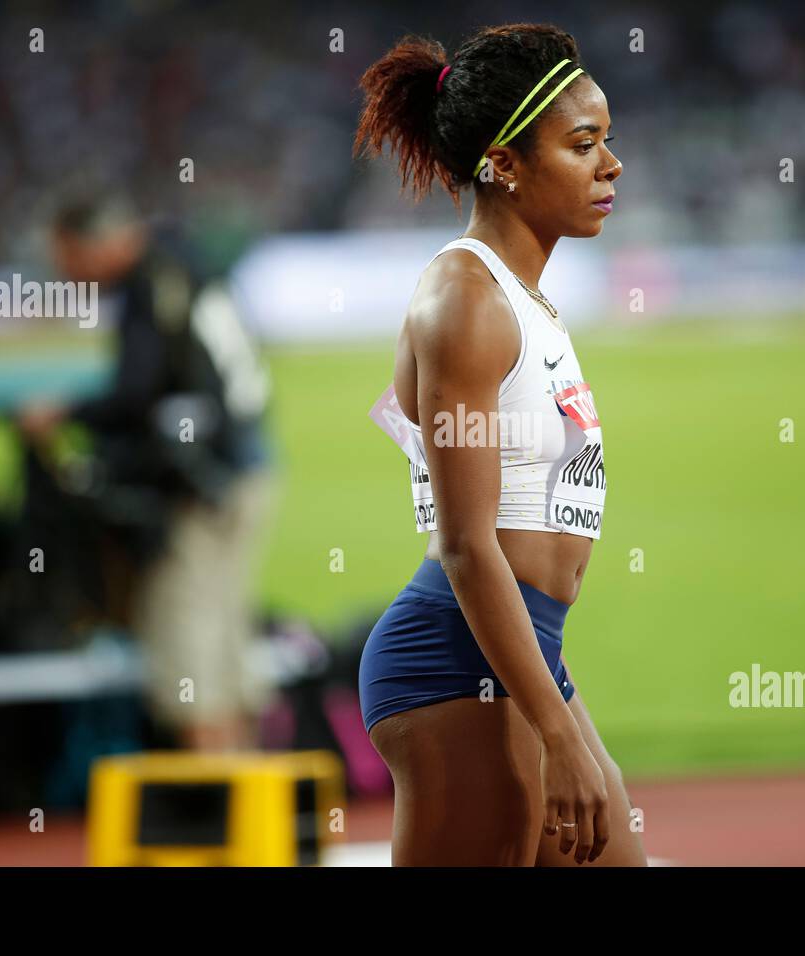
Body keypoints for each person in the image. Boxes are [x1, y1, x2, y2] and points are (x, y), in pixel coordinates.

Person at [353, 24, 644, 866]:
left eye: (608, 141)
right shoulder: (465, 299)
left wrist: (557, 713)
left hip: (522, 657)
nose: (611, 165)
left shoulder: (516, 300)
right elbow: (466, 541)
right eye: (583, 144)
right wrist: (557, 734)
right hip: (454, 666)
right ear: (506, 164)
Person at [18, 194, 277, 752]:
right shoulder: (182, 262)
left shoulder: (149, 281)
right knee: (226, 635)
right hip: (245, 466)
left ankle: (217, 807)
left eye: (67, 256)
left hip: (204, 483)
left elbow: (137, 390)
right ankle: (248, 795)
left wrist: (63, 413)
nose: (66, 272)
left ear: (97, 241)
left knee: (187, 639)